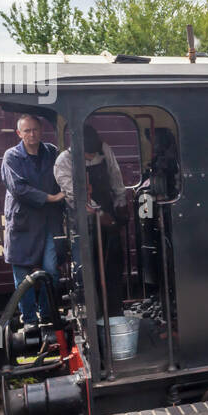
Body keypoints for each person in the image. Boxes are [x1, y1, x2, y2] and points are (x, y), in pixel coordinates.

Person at [54, 124, 128, 312]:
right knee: (86, 271)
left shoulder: (104, 149)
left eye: (94, 154)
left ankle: (115, 311)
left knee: (114, 266)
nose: (92, 157)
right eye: (88, 155)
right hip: (80, 224)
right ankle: (92, 317)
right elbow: (76, 196)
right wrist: (99, 214)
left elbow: (116, 177)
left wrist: (120, 205)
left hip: (108, 217)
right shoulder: (63, 161)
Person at [1, 114, 64, 327]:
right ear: (19, 133)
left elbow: (62, 176)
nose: (31, 134)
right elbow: (19, 189)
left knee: (51, 270)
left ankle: (47, 315)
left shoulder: (52, 152)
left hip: (48, 222)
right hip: (22, 224)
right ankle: (28, 319)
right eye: (26, 131)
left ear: (41, 130)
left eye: (35, 129)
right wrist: (51, 198)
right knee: (22, 277)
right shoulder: (11, 157)